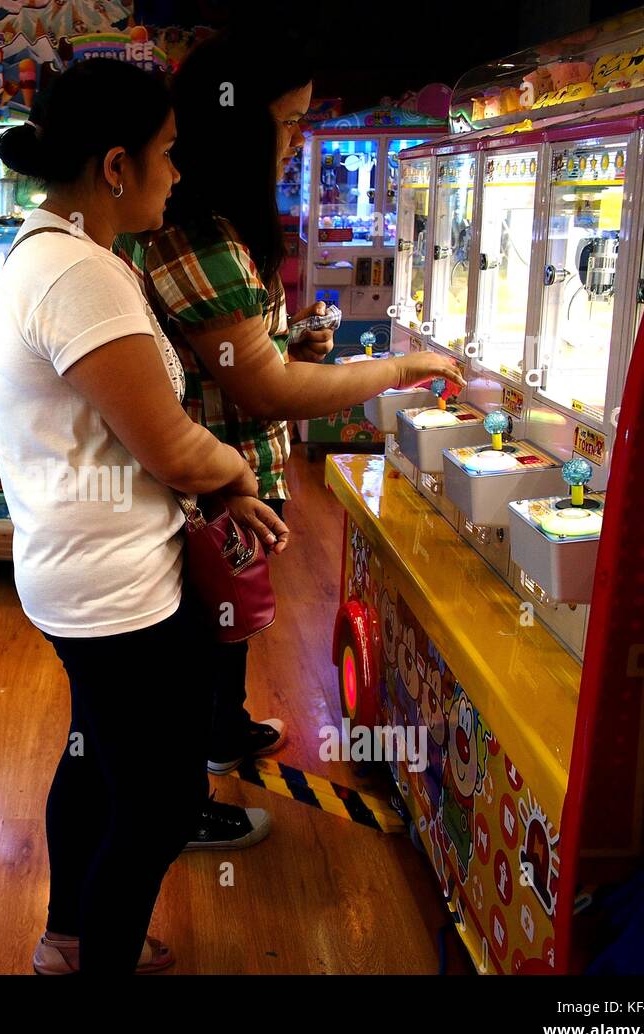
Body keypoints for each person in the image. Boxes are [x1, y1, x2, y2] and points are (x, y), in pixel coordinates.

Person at [117, 27, 463, 848]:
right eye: (289, 123)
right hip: (206, 485)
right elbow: (263, 385)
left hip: (230, 480)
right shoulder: (198, 235)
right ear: (240, 128)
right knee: (201, 634)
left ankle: (223, 732)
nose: (297, 141)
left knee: (228, 620)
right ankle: (186, 797)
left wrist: (291, 345)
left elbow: (253, 357)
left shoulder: (223, 225)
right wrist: (397, 368)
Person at [0, 58, 288, 974]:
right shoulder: (81, 274)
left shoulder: (60, 255)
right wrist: (240, 472)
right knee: (156, 805)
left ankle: (67, 938)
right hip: (111, 587)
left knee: (94, 757)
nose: (179, 170)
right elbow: (170, 444)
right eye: (167, 152)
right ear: (116, 166)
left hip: (80, 571)